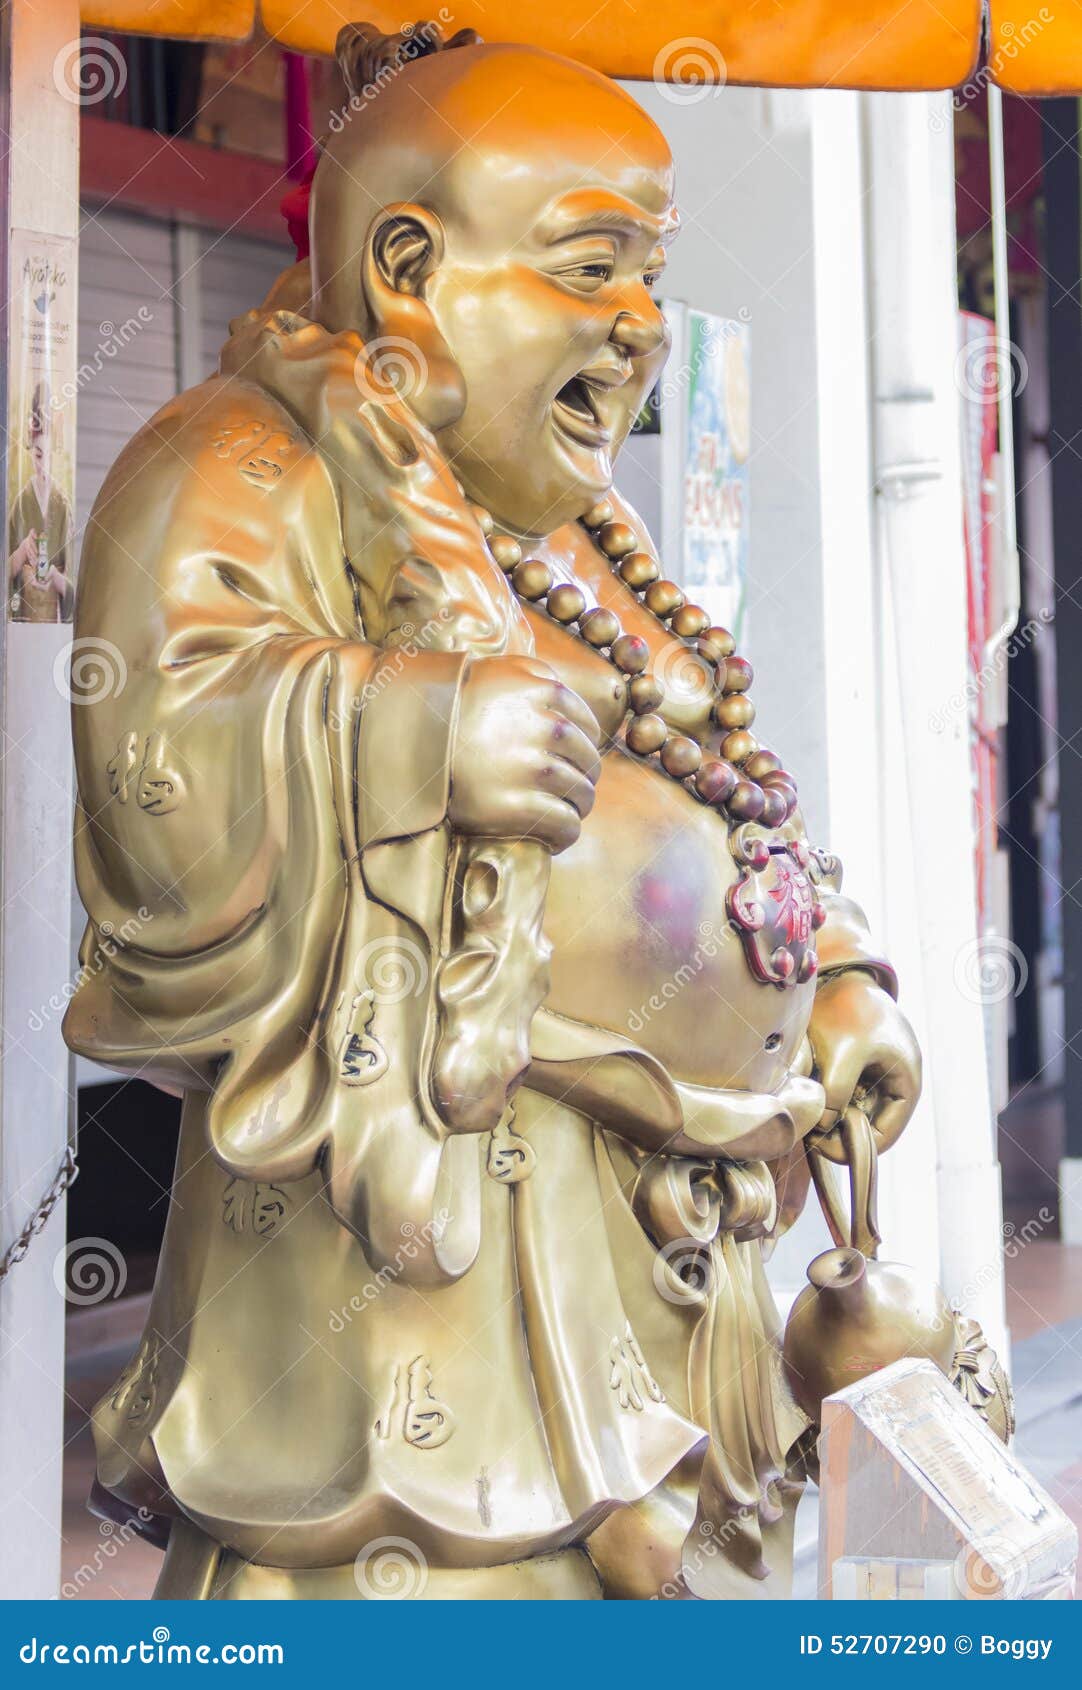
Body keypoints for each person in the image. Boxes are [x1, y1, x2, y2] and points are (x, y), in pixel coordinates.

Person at [65, 27, 926, 1600]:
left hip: (673, 1312)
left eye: (650, 279)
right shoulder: (238, 466)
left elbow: (714, 773)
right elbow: (158, 774)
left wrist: (838, 972)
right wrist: (416, 728)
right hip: (413, 1334)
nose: (642, 328)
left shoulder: (561, 524)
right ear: (407, 265)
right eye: (592, 268)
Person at [7, 383, 74, 622]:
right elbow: (5, 573)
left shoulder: (63, 504)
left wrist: (55, 576)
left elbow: (73, 583)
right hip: (24, 613)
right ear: (29, 452)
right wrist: (22, 551)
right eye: (37, 455)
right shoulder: (21, 502)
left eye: (49, 455)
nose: (43, 465)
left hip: (53, 616)